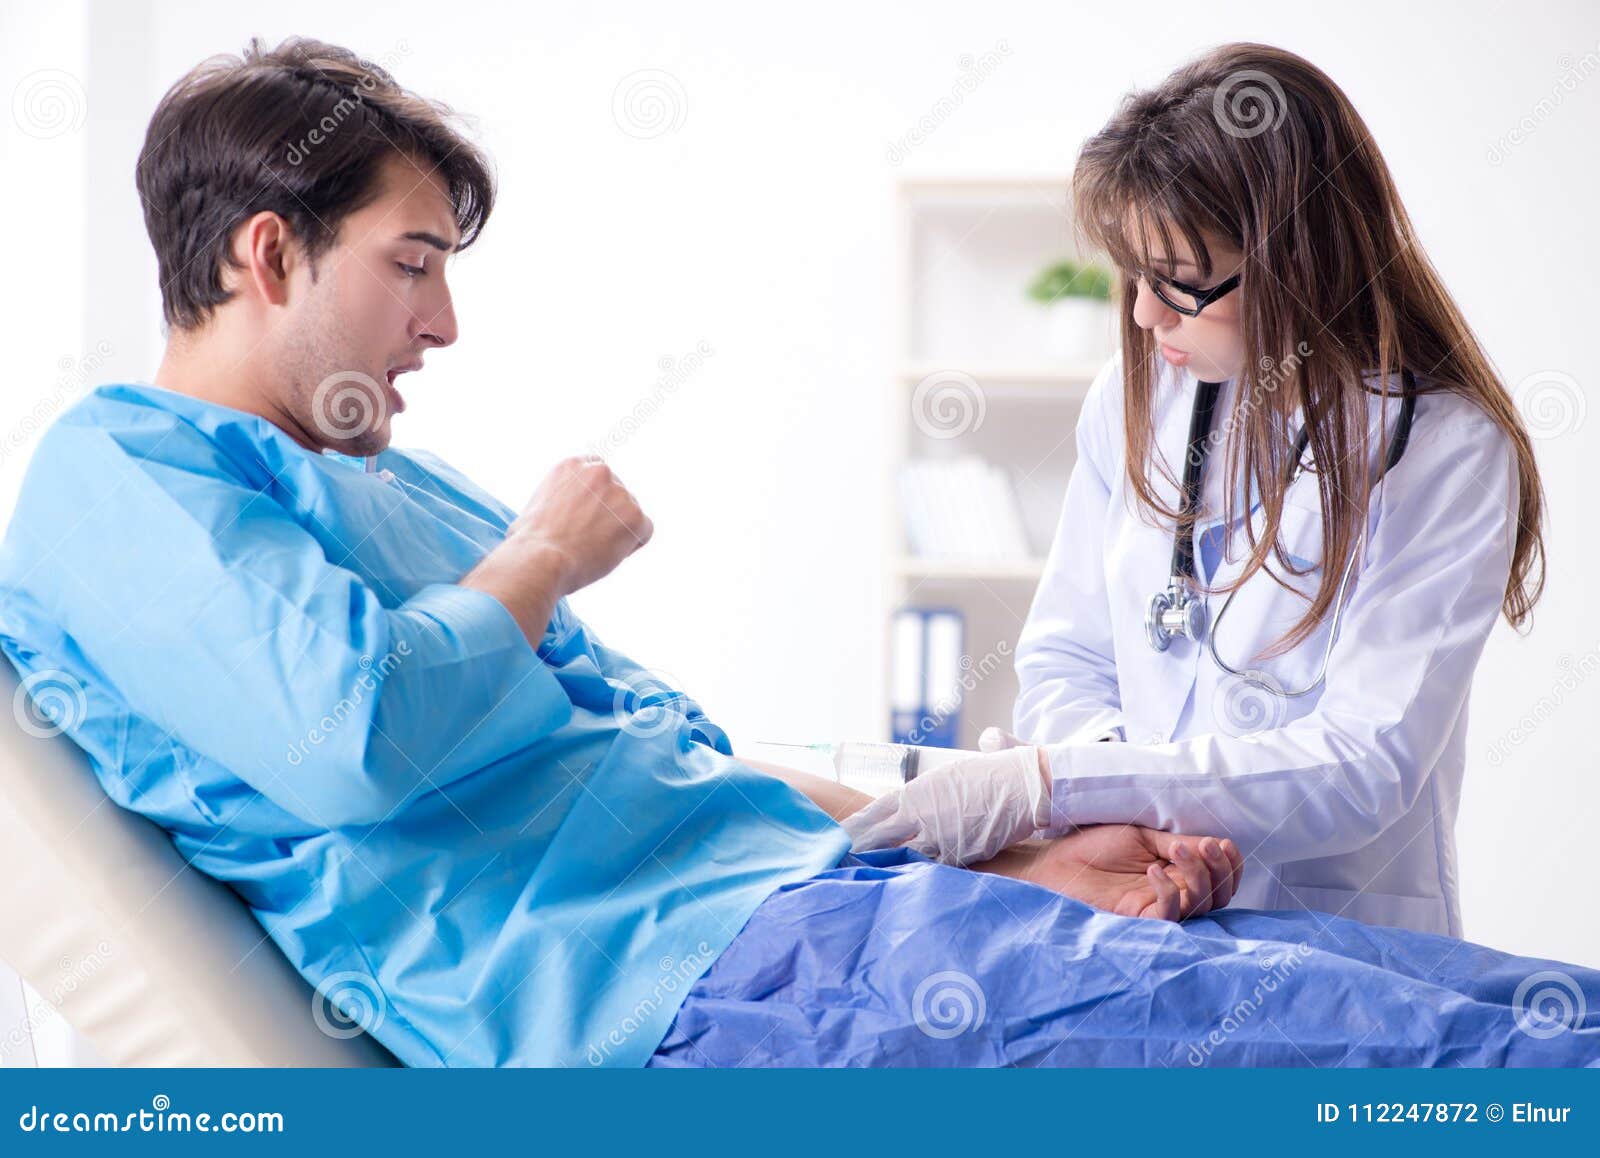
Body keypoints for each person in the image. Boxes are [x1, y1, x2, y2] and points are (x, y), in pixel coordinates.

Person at [0, 37, 1243, 1070]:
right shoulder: (118, 473)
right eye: (412, 266)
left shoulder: (399, 488)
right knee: (1375, 1053)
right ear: (267, 254)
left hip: (795, 908)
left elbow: (673, 756)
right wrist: (541, 553)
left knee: (1337, 981)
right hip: (674, 993)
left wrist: (1002, 854)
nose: (441, 323)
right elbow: (344, 742)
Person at [842, 43, 1546, 939]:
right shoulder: (1139, 399)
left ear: (1303, 258)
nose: (1144, 315)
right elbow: (1069, 660)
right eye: (1131, 275)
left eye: (1179, 282)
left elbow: (1366, 762)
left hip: (1337, 936)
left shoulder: (1442, 450)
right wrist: (1121, 806)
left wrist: (1053, 785)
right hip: (1138, 903)